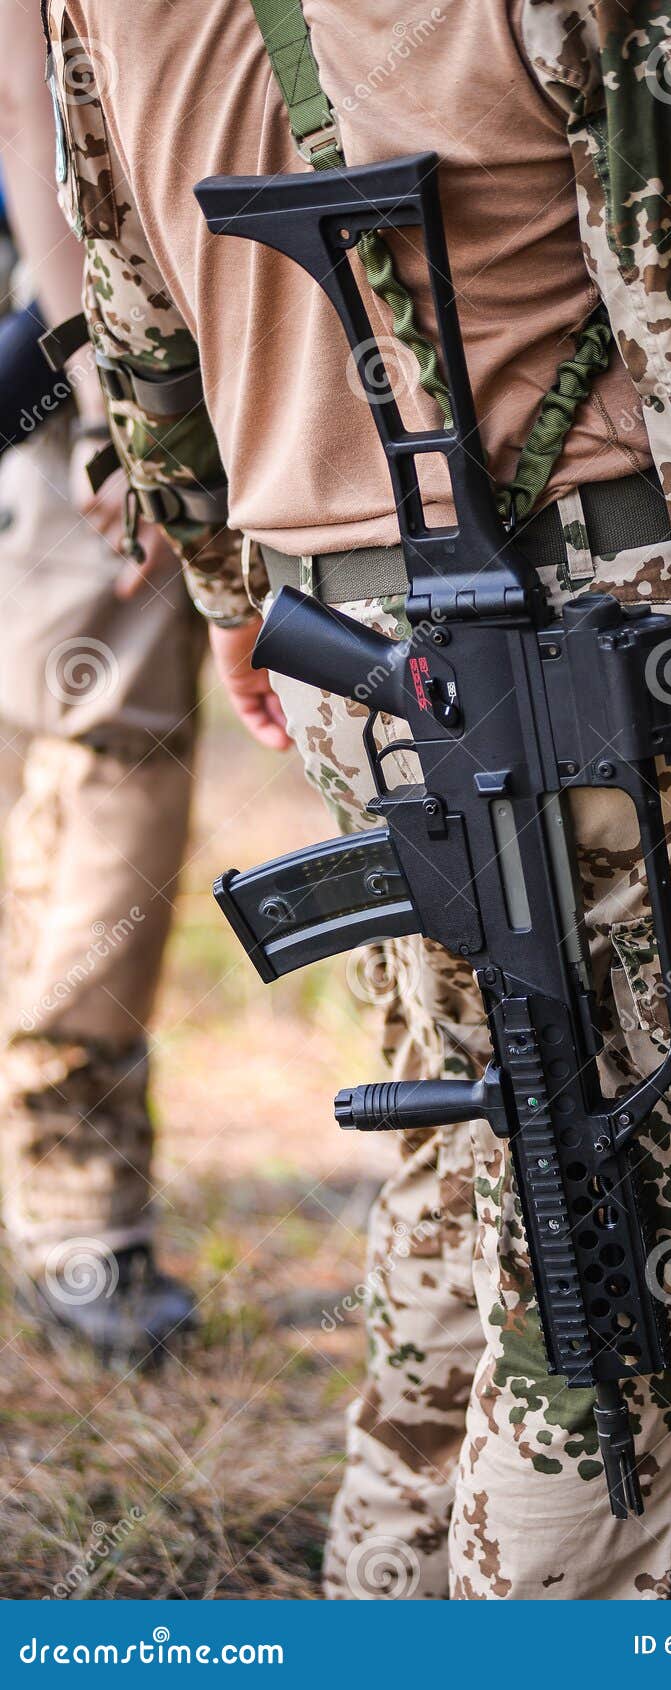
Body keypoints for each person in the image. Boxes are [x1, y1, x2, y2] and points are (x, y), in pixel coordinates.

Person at [31, 0, 671, 1598]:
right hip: (604, 650)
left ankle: (387, 1610)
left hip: (349, 645)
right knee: (618, 1272)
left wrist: (240, 587)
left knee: (471, 1178)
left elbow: (126, 310)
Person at [0, 51, 202, 1365]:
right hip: (78, 347)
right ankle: (72, 1201)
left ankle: (72, 1201)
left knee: (94, 760)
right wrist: (98, 391)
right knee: (105, 762)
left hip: (95, 335)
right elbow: (40, 102)